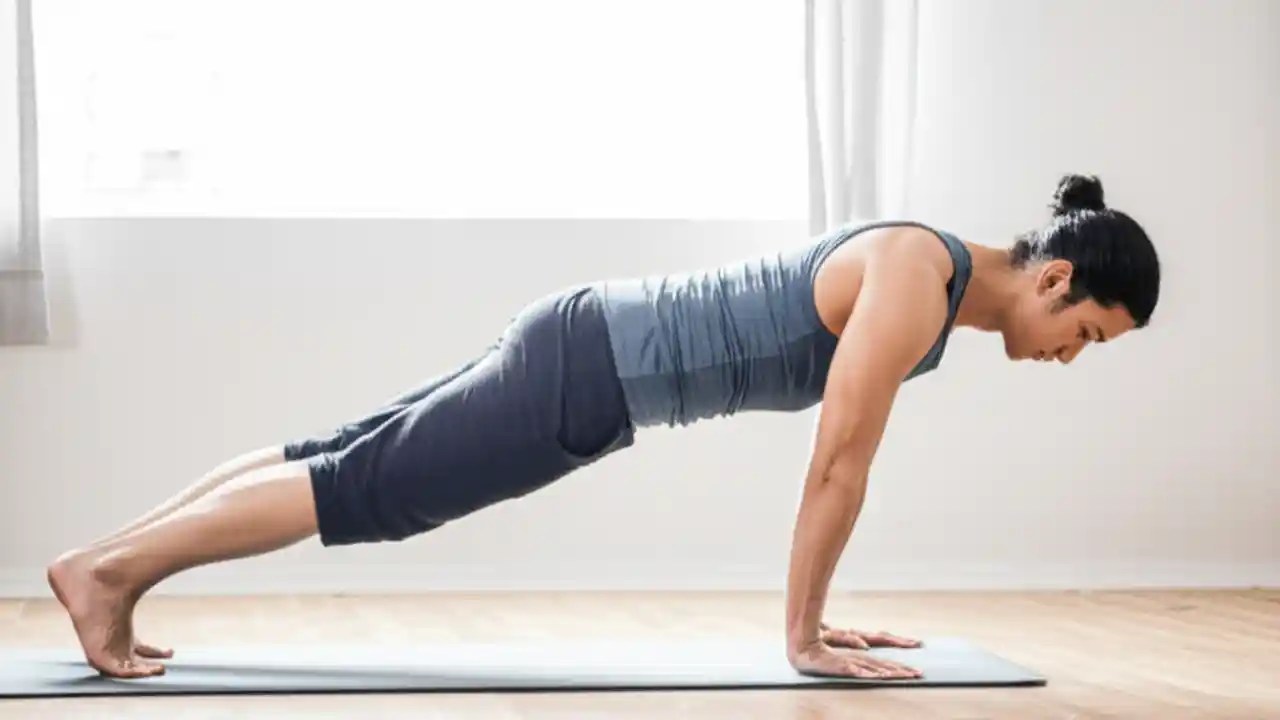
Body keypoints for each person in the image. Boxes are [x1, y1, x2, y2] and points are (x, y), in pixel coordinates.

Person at [47, 173, 1161, 681]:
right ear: (1056, 278)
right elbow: (836, 466)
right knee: (364, 490)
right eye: (1088, 337)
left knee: (334, 459)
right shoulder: (920, 272)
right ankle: (107, 573)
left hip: (584, 341)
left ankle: (109, 570)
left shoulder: (928, 278)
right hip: (591, 375)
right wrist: (803, 636)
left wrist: (822, 622)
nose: (1070, 360)